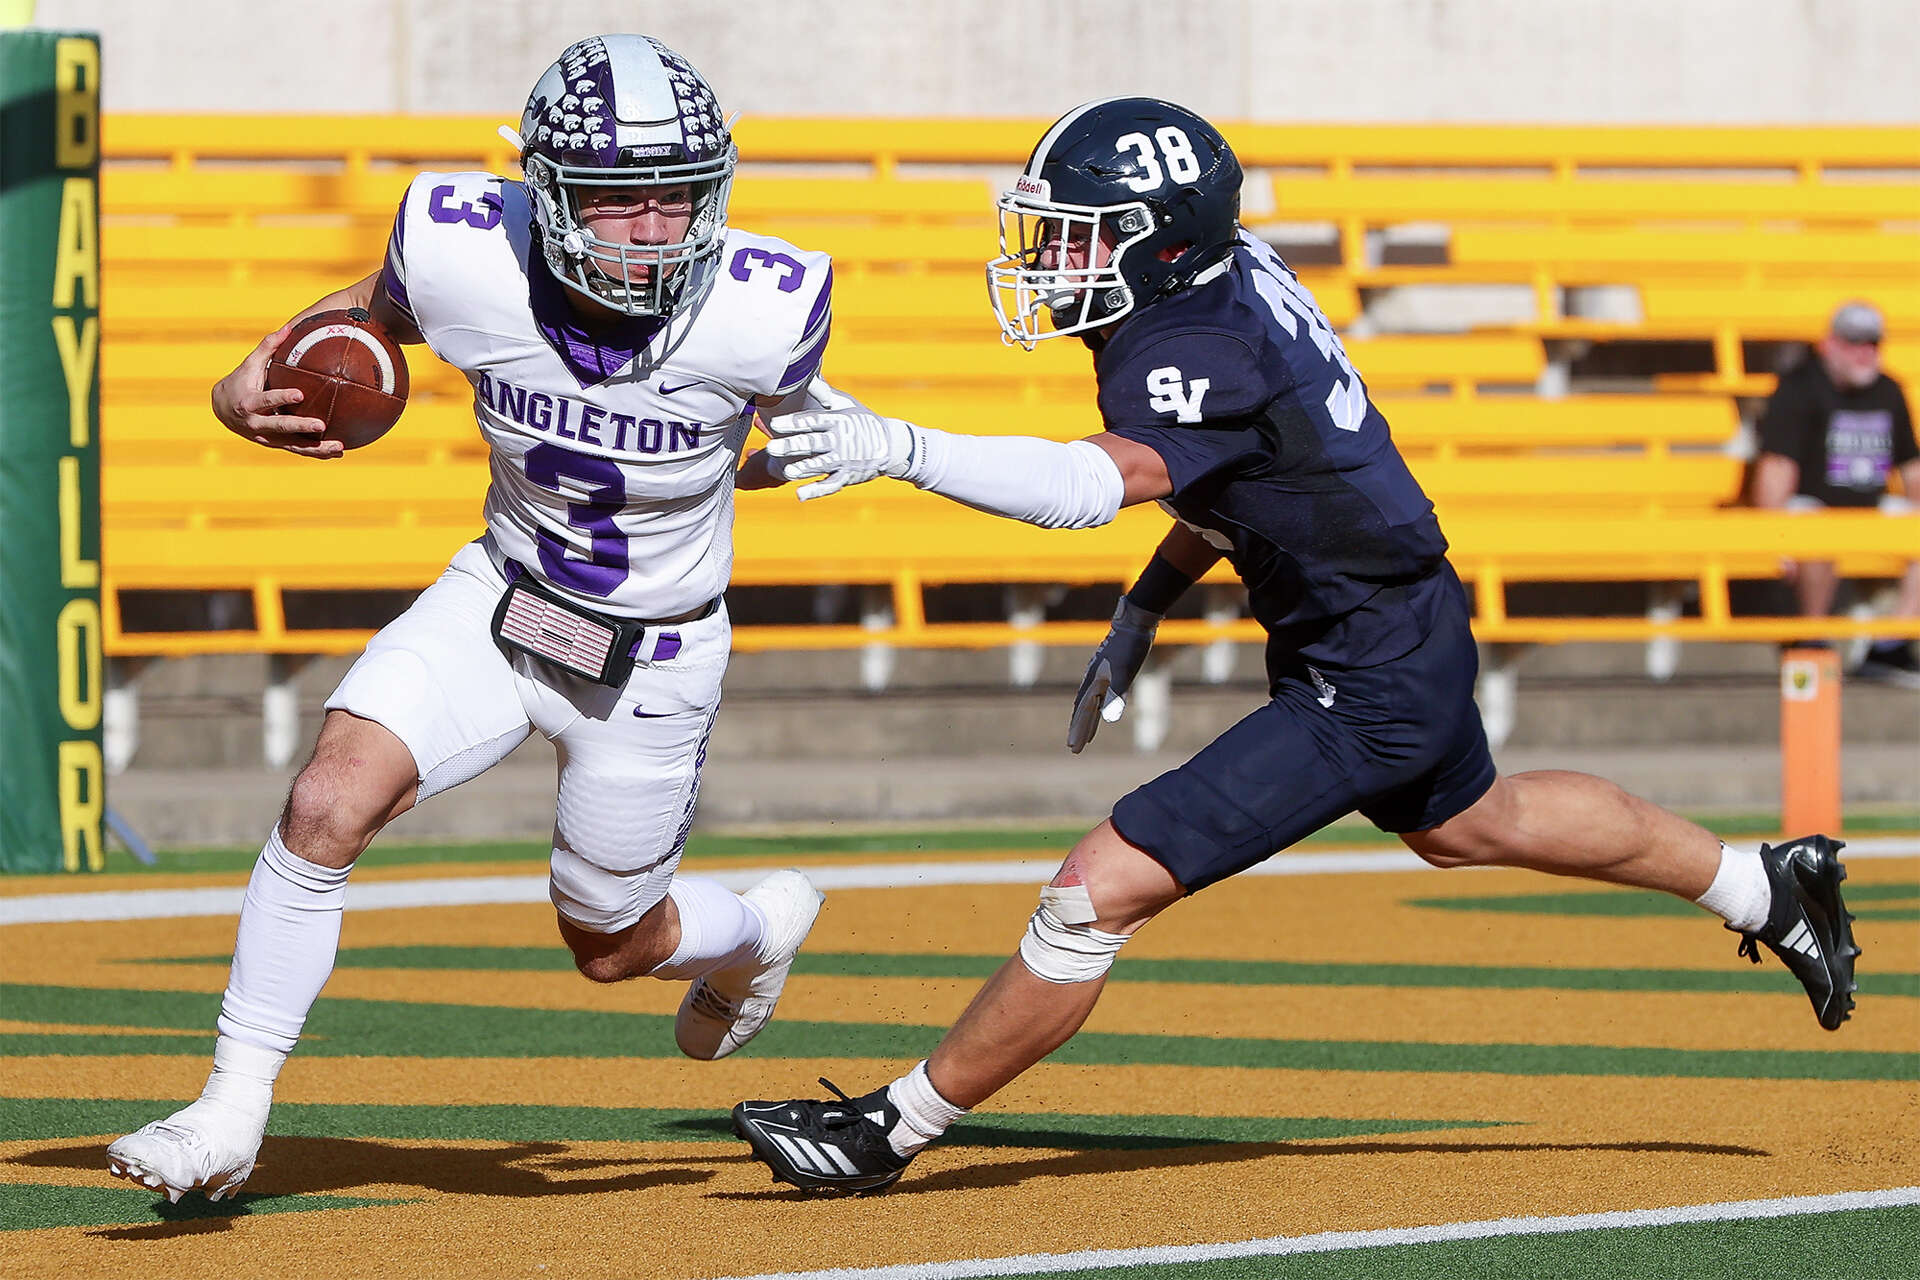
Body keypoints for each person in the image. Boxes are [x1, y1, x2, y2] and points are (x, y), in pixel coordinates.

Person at [727, 98, 1863, 1195]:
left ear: (1160, 242)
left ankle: (893, 1126)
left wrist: (894, 444)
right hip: (1390, 618)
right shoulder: (1219, 284)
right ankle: (1763, 883)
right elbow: (1246, 473)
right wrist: (1146, 606)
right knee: (1472, 823)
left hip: (1364, 660)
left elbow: (1094, 483)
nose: (1053, 257)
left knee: (1094, 889)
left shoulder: (1195, 335)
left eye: (1080, 234)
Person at [106, 34, 856, 1203]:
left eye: (679, 198)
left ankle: (756, 930)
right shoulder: (465, 245)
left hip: (650, 651)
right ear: (548, 193)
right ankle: (229, 1110)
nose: (654, 231)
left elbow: (799, 426)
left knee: (609, 943)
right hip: (501, 595)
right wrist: (249, 376)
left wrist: (803, 454)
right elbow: (365, 314)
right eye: (619, 200)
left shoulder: (764, 307)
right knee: (324, 801)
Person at [1753, 300, 1920, 688]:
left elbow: (1912, 467)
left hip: (1868, 506)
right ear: (1830, 344)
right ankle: (1811, 636)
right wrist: (1774, 538)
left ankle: (1893, 644)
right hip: (1811, 504)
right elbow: (1777, 467)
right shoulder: (1799, 387)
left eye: (1872, 343)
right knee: (1816, 528)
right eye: (1854, 342)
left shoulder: (1888, 390)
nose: (1864, 353)